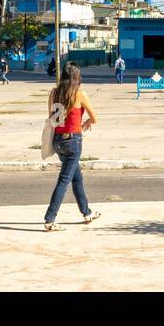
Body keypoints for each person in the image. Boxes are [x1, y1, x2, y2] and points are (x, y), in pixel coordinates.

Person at [44, 63, 101, 231]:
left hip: (58, 141)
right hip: (73, 141)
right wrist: (88, 122)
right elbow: (94, 117)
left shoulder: (54, 93)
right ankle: (49, 219)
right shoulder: (80, 94)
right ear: (77, 76)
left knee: (77, 178)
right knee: (64, 181)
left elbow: (53, 119)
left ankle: (87, 212)